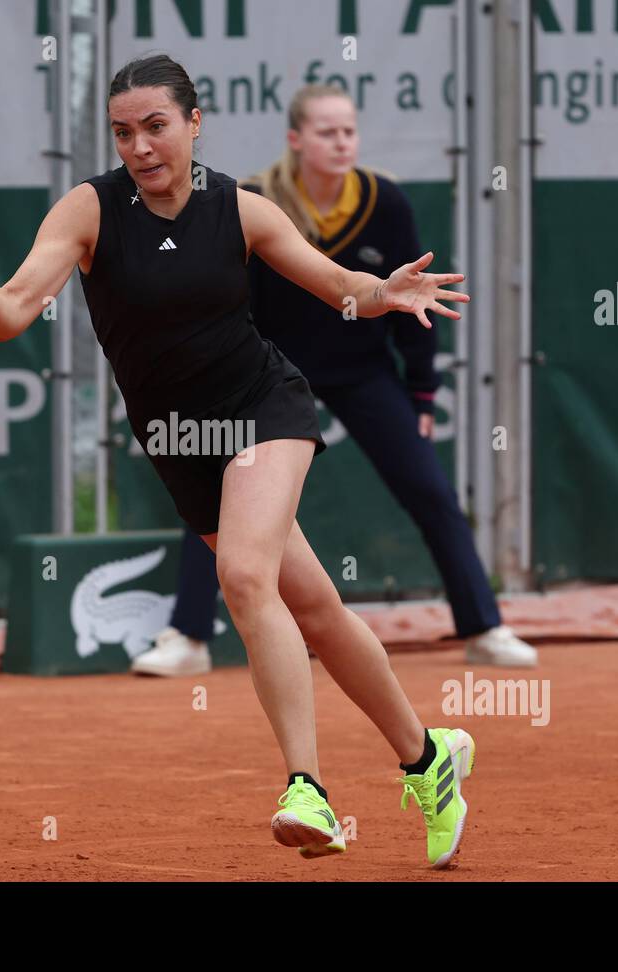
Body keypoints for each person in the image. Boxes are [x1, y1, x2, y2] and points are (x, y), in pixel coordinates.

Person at [0, 55, 475, 868]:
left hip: (262, 405)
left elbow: (335, 286)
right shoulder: (88, 211)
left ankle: (307, 789)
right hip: (179, 440)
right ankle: (428, 760)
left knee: (246, 580)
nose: (140, 147)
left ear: (194, 121)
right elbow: (11, 312)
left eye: (156, 126)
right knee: (316, 609)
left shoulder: (241, 210)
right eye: (123, 132)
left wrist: (382, 292)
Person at [131, 84, 537, 679]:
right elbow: (225, 302)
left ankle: (484, 627)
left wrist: (421, 391)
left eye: (349, 130)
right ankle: (188, 638)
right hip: (265, 374)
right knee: (224, 497)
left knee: (430, 491)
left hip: (361, 371)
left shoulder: (386, 202)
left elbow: (413, 301)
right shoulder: (254, 202)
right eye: (327, 131)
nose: (342, 141)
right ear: (296, 140)